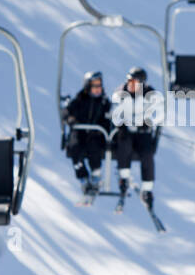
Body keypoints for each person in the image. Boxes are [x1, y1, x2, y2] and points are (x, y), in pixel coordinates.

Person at [110, 66, 163, 209]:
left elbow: (157, 112)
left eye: (135, 82)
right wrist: (121, 125)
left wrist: (148, 123)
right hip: (126, 132)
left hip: (141, 134)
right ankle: (124, 177)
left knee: (147, 153)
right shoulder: (121, 92)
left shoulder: (150, 94)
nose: (131, 85)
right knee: (124, 144)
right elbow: (114, 111)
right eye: (130, 81)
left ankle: (147, 189)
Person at [62, 71, 112, 196]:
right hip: (80, 132)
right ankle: (83, 178)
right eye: (94, 86)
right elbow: (67, 112)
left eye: (99, 86)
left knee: (94, 148)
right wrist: (70, 119)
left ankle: (96, 176)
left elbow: (109, 118)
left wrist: (105, 127)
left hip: (95, 134)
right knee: (75, 149)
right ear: (88, 86)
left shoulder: (104, 102)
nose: (97, 89)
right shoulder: (80, 99)